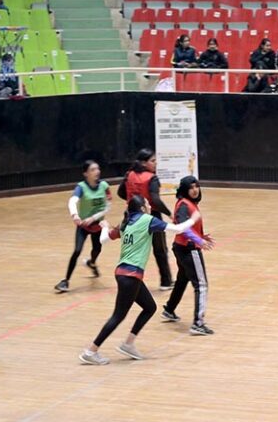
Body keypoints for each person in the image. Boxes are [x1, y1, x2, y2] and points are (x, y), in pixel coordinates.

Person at [78, 195, 202, 365]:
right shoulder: (147, 220)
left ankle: (128, 343)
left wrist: (106, 227)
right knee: (118, 316)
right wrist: (193, 218)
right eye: (147, 203)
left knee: (150, 307)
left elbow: (103, 239)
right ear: (142, 208)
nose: (150, 205)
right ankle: (91, 351)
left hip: (125, 273)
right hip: (130, 275)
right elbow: (178, 229)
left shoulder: (127, 222)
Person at [161, 176, 216, 335]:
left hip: (180, 247)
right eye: (191, 187)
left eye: (196, 186)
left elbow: (188, 226)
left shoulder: (188, 204)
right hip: (188, 249)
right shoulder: (184, 205)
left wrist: (201, 236)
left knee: (182, 279)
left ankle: (169, 309)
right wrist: (198, 240)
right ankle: (198, 323)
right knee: (202, 285)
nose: (195, 189)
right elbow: (183, 229)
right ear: (185, 189)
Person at [118, 149, 174, 289]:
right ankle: (166, 282)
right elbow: (155, 199)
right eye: (153, 161)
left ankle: (128, 278)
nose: (156, 163)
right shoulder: (151, 178)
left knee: (132, 249)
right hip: (150, 216)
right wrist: (169, 213)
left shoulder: (129, 174)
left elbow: (120, 192)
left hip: (131, 216)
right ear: (144, 163)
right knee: (160, 250)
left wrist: (133, 201)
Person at [54, 161, 111, 293]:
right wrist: (75, 215)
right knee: (77, 251)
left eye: (98, 168)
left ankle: (91, 262)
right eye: (93, 169)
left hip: (97, 225)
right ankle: (65, 281)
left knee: (97, 249)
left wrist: (93, 218)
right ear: (86, 173)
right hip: (83, 226)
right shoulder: (81, 187)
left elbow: (107, 207)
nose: (97, 171)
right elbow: (73, 200)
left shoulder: (104, 186)